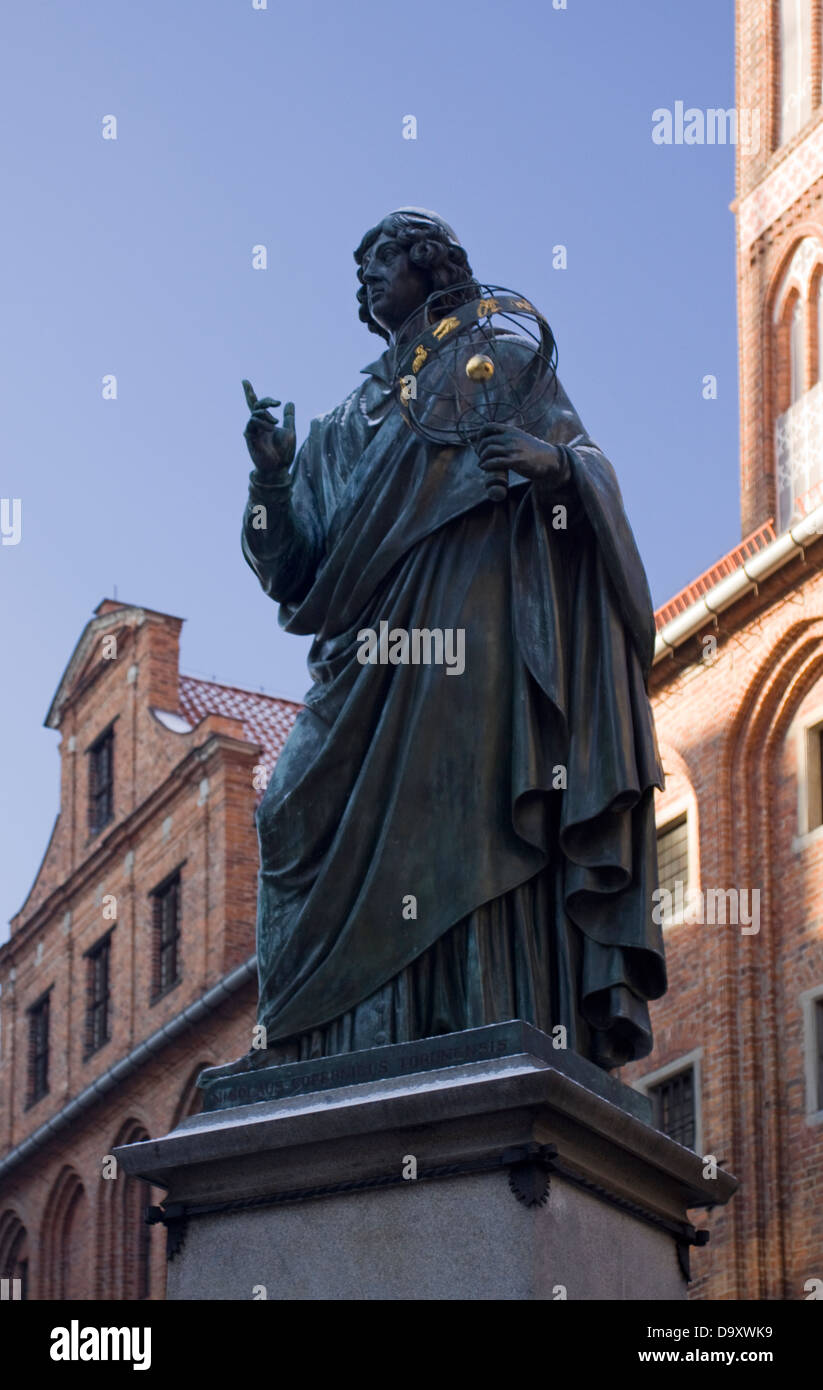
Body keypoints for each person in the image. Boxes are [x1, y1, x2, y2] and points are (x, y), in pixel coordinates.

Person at [236, 207, 665, 1072]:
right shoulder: (342, 423)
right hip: (362, 657)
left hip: (470, 634)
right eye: (360, 268)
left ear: (430, 268)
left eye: (383, 258)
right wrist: (271, 475)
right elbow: (287, 571)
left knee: (460, 812)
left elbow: (584, 460)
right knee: (287, 814)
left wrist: (554, 468)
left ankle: (472, 1013)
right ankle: (309, 1043)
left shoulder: (496, 362)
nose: (365, 276)